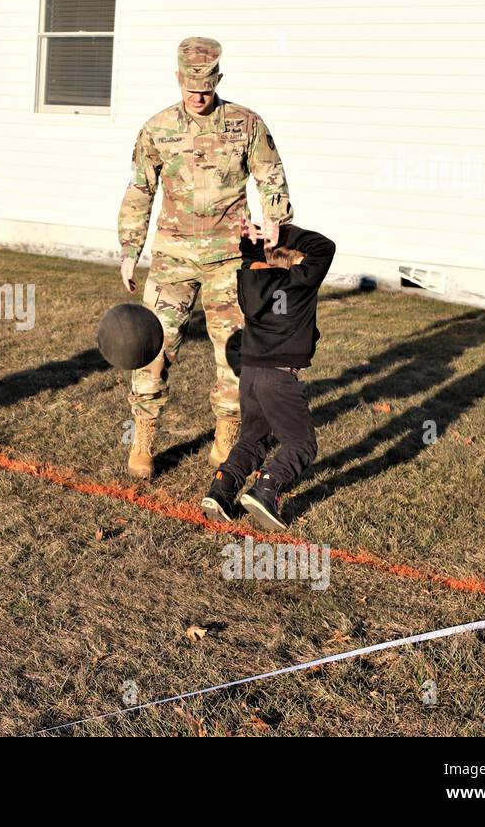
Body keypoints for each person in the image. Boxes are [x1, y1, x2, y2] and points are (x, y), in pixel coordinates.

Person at [118, 36, 293, 478]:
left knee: (234, 354)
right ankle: (143, 440)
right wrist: (128, 250)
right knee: (152, 351)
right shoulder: (157, 129)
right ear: (178, 78)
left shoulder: (245, 124)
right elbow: (140, 190)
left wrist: (275, 227)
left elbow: (272, 178)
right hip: (171, 261)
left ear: (218, 79)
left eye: (207, 87)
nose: (199, 96)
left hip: (228, 261)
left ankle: (225, 439)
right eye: (191, 87)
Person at [201, 221, 336, 531]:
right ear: (296, 262)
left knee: (252, 439)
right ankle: (266, 489)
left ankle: (221, 488)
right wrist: (284, 232)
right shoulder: (300, 284)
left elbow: (250, 259)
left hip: (250, 375)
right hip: (280, 378)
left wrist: (251, 240)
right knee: (301, 444)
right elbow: (325, 247)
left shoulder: (250, 281)